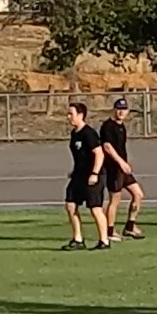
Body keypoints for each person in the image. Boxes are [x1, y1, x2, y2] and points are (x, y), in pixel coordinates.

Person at [62, 102, 114, 251]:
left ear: (80, 115)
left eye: (71, 114)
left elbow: (99, 153)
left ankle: (104, 240)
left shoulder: (88, 133)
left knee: (95, 208)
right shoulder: (74, 133)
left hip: (93, 176)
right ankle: (78, 239)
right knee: (70, 205)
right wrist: (75, 170)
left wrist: (95, 173)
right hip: (79, 176)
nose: (68, 117)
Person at [101, 98, 148, 240]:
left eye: (124, 109)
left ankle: (130, 226)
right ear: (114, 110)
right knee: (115, 199)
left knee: (138, 194)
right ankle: (109, 231)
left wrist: (126, 163)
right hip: (113, 168)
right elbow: (107, 147)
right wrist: (121, 162)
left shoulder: (122, 127)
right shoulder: (108, 126)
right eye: (119, 109)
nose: (121, 112)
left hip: (123, 168)